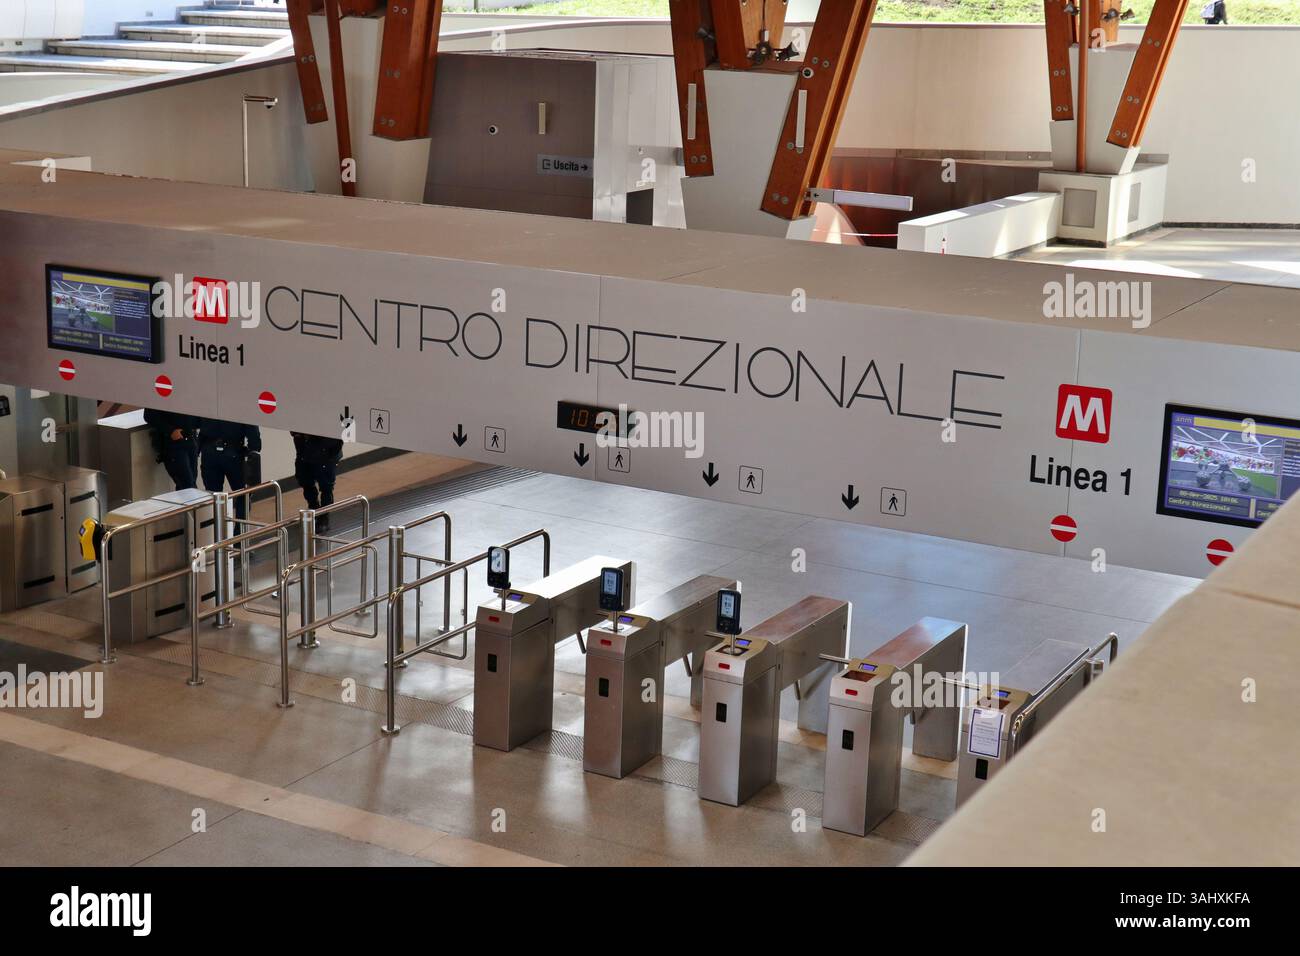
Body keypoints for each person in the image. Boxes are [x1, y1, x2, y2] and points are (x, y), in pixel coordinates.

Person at [197, 418, 261, 522]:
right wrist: (253, 453)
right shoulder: (238, 403)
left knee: (214, 496)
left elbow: (198, 422)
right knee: (243, 494)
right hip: (233, 453)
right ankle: (240, 534)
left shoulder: (210, 402)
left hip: (209, 453)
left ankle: (217, 533)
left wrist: (198, 449)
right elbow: (253, 432)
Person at [292, 432, 344, 533]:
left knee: (326, 487)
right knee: (305, 481)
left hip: (326, 451)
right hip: (305, 450)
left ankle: (324, 518)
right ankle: (313, 509)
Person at [142, 408, 199, 490]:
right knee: (188, 486)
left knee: (190, 484)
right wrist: (170, 431)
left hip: (191, 439)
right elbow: (149, 416)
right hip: (174, 444)